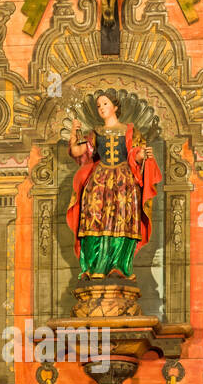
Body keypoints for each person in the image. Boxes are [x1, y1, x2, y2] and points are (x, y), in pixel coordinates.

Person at [66, 90, 161, 278]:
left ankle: (119, 265)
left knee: (121, 220)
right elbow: (77, 152)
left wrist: (142, 155)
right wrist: (73, 132)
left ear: (115, 107)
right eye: (99, 105)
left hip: (123, 182)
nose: (101, 108)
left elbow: (136, 153)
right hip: (99, 182)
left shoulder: (130, 131)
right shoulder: (95, 133)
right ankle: (95, 266)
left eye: (105, 104)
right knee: (94, 217)